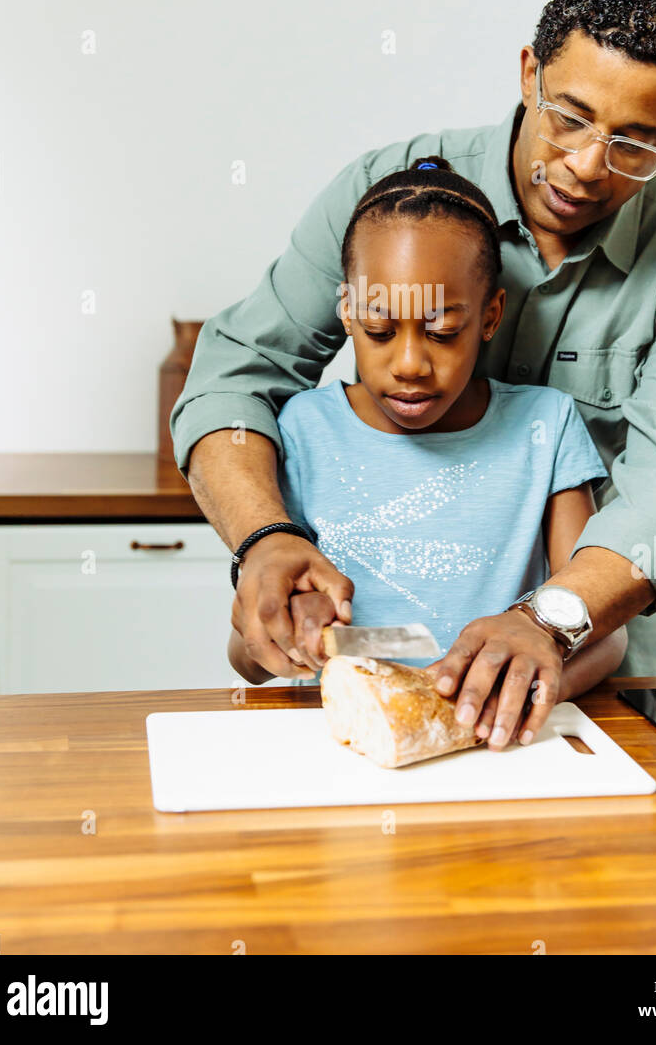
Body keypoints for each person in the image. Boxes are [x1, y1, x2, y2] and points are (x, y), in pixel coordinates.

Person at [172, 0, 656, 746]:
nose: (586, 165)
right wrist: (263, 540)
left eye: (634, 144)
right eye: (570, 117)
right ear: (528, 74)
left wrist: (547, 624)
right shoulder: (389, 195)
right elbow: (234, 379)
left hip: (577, 680)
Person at [226, 157, 628, 747]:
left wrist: (517, 694)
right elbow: (244, 658)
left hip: (499, 751)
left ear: (490, 315)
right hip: (339, 752)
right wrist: (287, 635)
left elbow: (607, 638)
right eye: (380, 331)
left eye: (441, 332)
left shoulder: (545, 427)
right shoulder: (301, 431)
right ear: (346, 311)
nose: (410, 364)